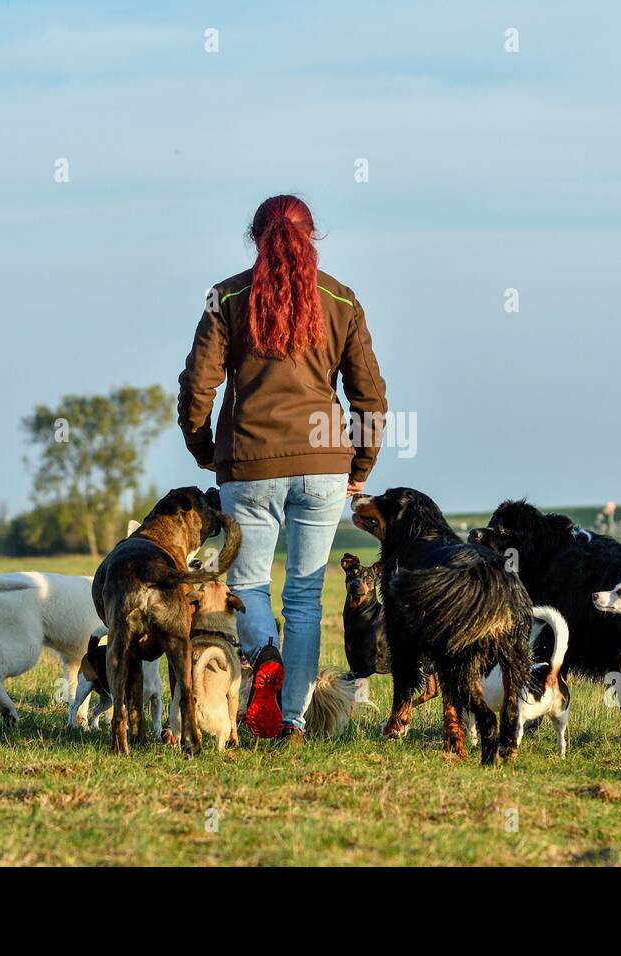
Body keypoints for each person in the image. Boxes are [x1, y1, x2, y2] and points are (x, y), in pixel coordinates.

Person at [177, 195, 387, 743]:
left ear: (254, 237)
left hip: (248, 463)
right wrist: (360, 465)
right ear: (311, 237)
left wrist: (206, 449)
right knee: (305, 595)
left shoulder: (226, 296)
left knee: (248, 584)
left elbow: (198, 384)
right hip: (322, 464)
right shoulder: (341, 298)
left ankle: (262, 652)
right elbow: (370, 398)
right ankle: (292, 720)